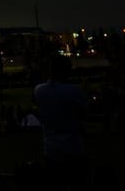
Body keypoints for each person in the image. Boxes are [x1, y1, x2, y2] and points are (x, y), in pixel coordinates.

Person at [33, 55, 87, 189]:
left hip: (51, 148)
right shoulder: (74, 91)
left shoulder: (39, 90)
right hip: (73, 148)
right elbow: (85, 113)